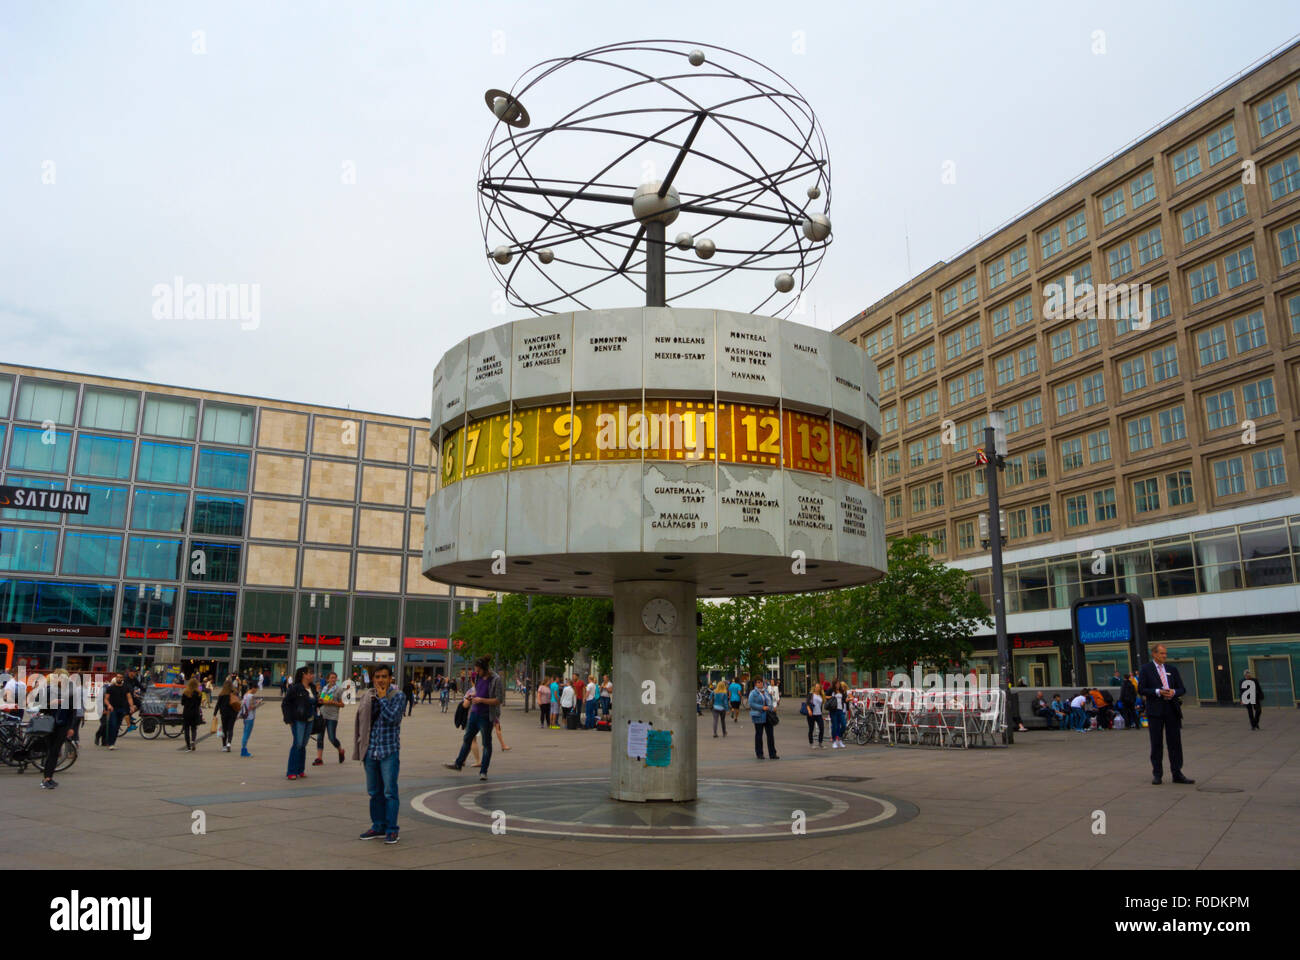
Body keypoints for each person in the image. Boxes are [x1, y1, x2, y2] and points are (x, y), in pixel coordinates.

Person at [354, 664, 404, 844]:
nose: (381, 680)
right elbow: (360, 721)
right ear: (373, 679)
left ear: (391, 678)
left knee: (390, 792)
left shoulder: (398, 696)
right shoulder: (368, 696)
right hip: (370, 750)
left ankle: (392, 829)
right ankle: (378, 825)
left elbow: (394, 719)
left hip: (388, 750)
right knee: (374, 791)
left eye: (384, 676)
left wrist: (383, 699)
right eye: (377, 677)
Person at [1137, 644, 1194, 785]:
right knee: (1156, 743)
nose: (1164, 656)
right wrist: (1157, 691)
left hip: (1171, 709)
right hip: (1155, 711)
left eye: (1165, 654)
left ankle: (1177, 773)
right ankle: (1157, 774)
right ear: (1154, 654)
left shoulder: (1172, 669)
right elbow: (1142, 689)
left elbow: (1182, 688)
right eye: (1162, 653)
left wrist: (1174, 692)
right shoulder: (1146, 669)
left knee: (1175, 743)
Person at [444, 656, 503, 781]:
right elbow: (479, 692)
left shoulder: (496, 679)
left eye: (479, 670)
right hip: (475, 713)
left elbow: (498, 700)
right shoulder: (478, 677)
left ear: (485, 669)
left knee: (486, 744)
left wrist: (481, 700)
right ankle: (458, 763)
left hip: (486, 716)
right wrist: (473, 696)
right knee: (467, 739)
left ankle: (483, 771)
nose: (477, 673)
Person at [39, 670, 79, 790]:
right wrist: (51, 703)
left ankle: (48, 777)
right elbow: (40, 707)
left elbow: (73, 711)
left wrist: (72, 728)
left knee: (55, 751)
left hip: (63, 725)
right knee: (51, 750)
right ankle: (47, 777)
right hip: (48, 724)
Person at [283, 666, 318, 780]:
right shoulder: (295, 688)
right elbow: (285, 703)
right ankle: (291, 771)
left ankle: (300, 770)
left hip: (310, 719)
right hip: (298, 720)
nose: (312, 675)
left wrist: (320, 701)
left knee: (303, 745)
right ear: (304, 675)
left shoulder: (312, 688)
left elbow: (314, 702)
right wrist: (288, 719)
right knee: (297, 744)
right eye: (310, 673)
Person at [314, 671, 346, 765]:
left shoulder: (339, 690)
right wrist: (319, 700)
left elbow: (342, 704)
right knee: (320, 737)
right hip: (322, 715)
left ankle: (340, 750)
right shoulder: (324, 688)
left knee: (332, 737)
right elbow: (320, 700)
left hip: (332, 717)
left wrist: (333, 703)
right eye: (331, 678)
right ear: (327, 679)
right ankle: (319, 758)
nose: (333, 679)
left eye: (334, 678)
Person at [748, 677, 779, 760]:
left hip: (768, 716)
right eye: (758, 682)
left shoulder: (766, 691)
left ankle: (772, 753)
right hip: (758, 715)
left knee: (770, 735)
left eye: (761, 682)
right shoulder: (753, 693)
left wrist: (772, 708)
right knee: (759, 735)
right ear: (755, 684)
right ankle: (759, 753)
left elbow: (771, 701)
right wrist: (762, 707)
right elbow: (751, 704)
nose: (760, 684)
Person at [102, 674, 133, 750]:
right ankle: (110, 743)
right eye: (117, 677)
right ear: (116, 678)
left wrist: (131, 706)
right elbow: (106, 699)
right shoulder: (111, 688)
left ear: (122, 679)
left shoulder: (125, 688)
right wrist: (109, 705)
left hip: (122, 709)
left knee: (117, 726)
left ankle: (112, 742)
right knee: (113, 725)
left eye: (120, 677)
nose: (119, 679)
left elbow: (129, 698)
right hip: (113, 709)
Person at [214, 677, 241, 752]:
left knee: (224, 730)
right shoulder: (235, 693)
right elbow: (237, 702)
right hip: (233, 713)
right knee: (230, 729)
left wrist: (214, 714)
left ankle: (224, 746)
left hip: (224, 714)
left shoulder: (222, 694)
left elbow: (218, 705)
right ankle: (229, 743)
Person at [239, 683, 263, 757]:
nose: (256, 691)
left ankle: (244, 749)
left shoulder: (245, 695)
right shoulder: (251, 696)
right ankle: (243, 750)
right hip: (250, 717)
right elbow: (252, 707)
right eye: (256, 689)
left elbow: (246, 704)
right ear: (253, 688)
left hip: (245, 716)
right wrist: (258, 703)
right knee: (246, 734)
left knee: (245, 732)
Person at [180, 676, 203, 751]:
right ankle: (193, 740)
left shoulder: (185, 692)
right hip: (195, 712)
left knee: (186, 729)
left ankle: (188, 746)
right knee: (194, 728)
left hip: (187, 712)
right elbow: (199, 704)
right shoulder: (199, 693)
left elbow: (182, 703)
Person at [825, 681, 845, 748]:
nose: (838, 685)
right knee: (835, 726)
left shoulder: (841, 690)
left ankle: (839, 738)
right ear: (834, 684)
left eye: (839, 684)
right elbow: (826, 696)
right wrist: (832, 697)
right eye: (837, 684)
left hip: (840, 710)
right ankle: (834, 741)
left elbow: (844, 699)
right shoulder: (831, 690)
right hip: (833, 710)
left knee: (844, 724)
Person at [805, 683, 824, 748]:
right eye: (816, 687)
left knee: (821, 728)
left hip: (819, 714)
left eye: (819, 687)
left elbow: (821, 704)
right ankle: (811, 743)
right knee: (811, 729)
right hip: (812, 714)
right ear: (814, 688)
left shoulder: (821, 695)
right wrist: (809, 710)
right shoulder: (811, 694)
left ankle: (820, 743)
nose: (817, 688)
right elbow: (807, 703)